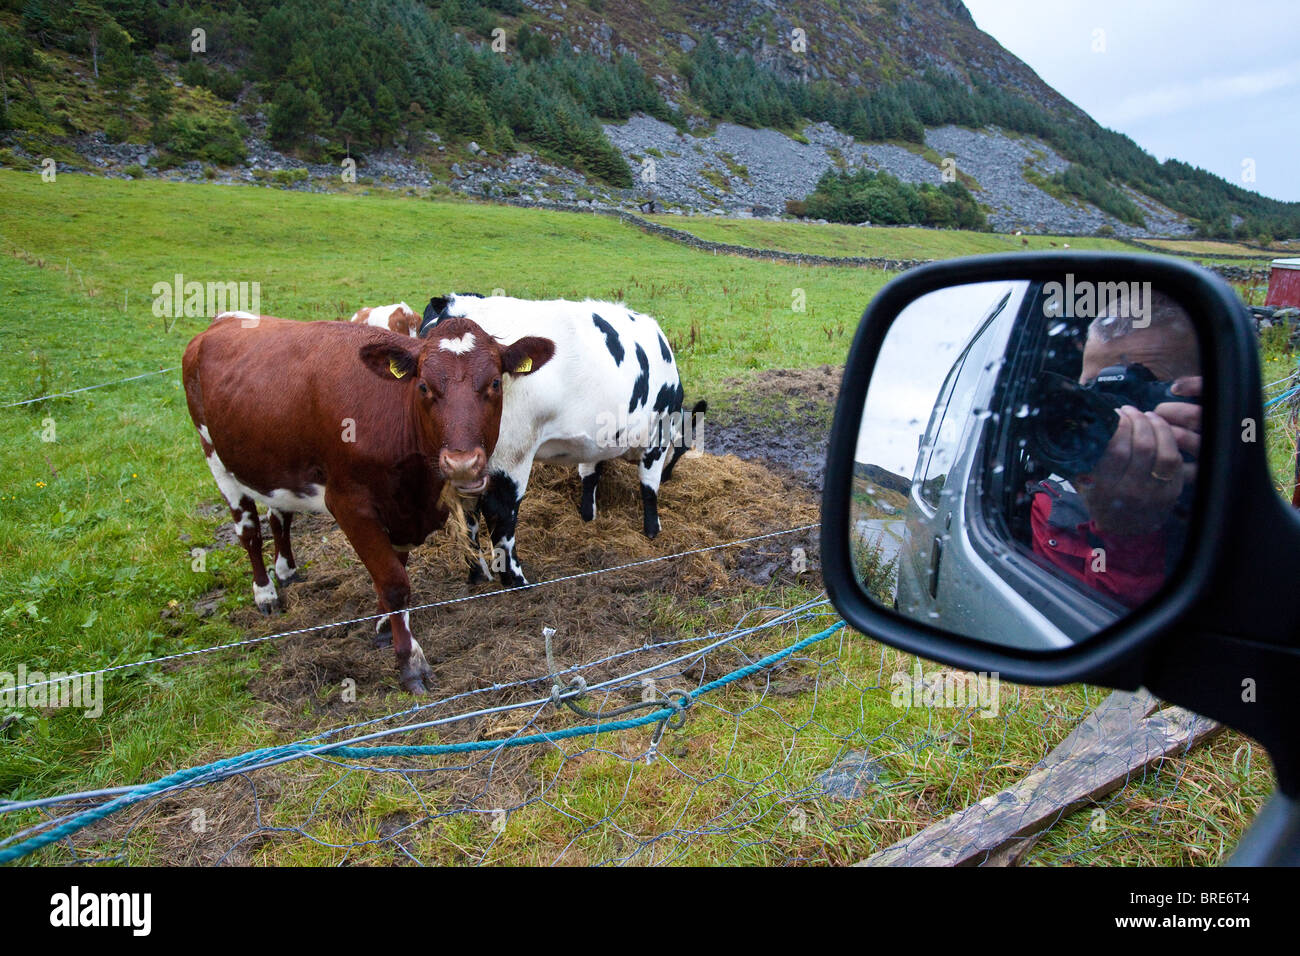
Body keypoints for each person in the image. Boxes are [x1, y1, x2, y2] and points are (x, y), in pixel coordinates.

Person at [1030, 291, 1202, 608]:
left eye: (1138, 394)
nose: (1117, 419)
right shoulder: (1056, 502)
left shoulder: (1228, 477)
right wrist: (1125, 532)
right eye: (1095, 394)